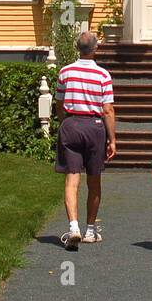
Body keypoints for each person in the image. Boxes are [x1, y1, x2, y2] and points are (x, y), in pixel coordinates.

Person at [54, 31, 116, 250]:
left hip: (71, 124)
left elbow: (59, 103)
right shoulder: (103, 75)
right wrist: (112, 139)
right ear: (95, 48)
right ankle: (90, 229)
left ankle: (73, 227)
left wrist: (66, 122)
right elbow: (107, 109)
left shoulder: (65, 72)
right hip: (94, 127)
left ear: (77, 48)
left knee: (72, 179)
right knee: (94, 180)